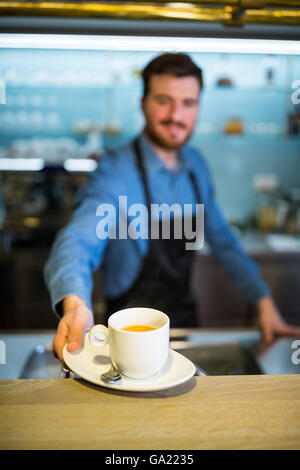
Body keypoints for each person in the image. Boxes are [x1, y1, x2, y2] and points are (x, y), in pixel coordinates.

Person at [44, 53, 300, 365]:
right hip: (127, 341)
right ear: (143, 104)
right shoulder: (114, 171)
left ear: (198, 107)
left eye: (188, 103)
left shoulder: (196, 166)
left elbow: (224, 241)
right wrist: (74, 303)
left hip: (187, 329)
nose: (176, 115)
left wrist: (263, 300)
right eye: (164, 100)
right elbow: (76, 241)